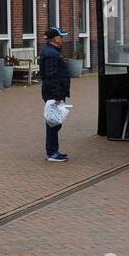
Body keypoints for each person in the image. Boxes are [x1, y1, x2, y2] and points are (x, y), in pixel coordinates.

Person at [39, 27, 71, 162]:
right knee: (53, 122)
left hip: (54, 93)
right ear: (55, 38)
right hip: (53, 94)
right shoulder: (51, 54)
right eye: (61, 36)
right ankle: (52, 152)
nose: (62, 39)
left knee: (54, 122)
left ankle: (52, 150)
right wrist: (57, 96)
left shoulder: (52, 52)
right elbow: (51, 76)